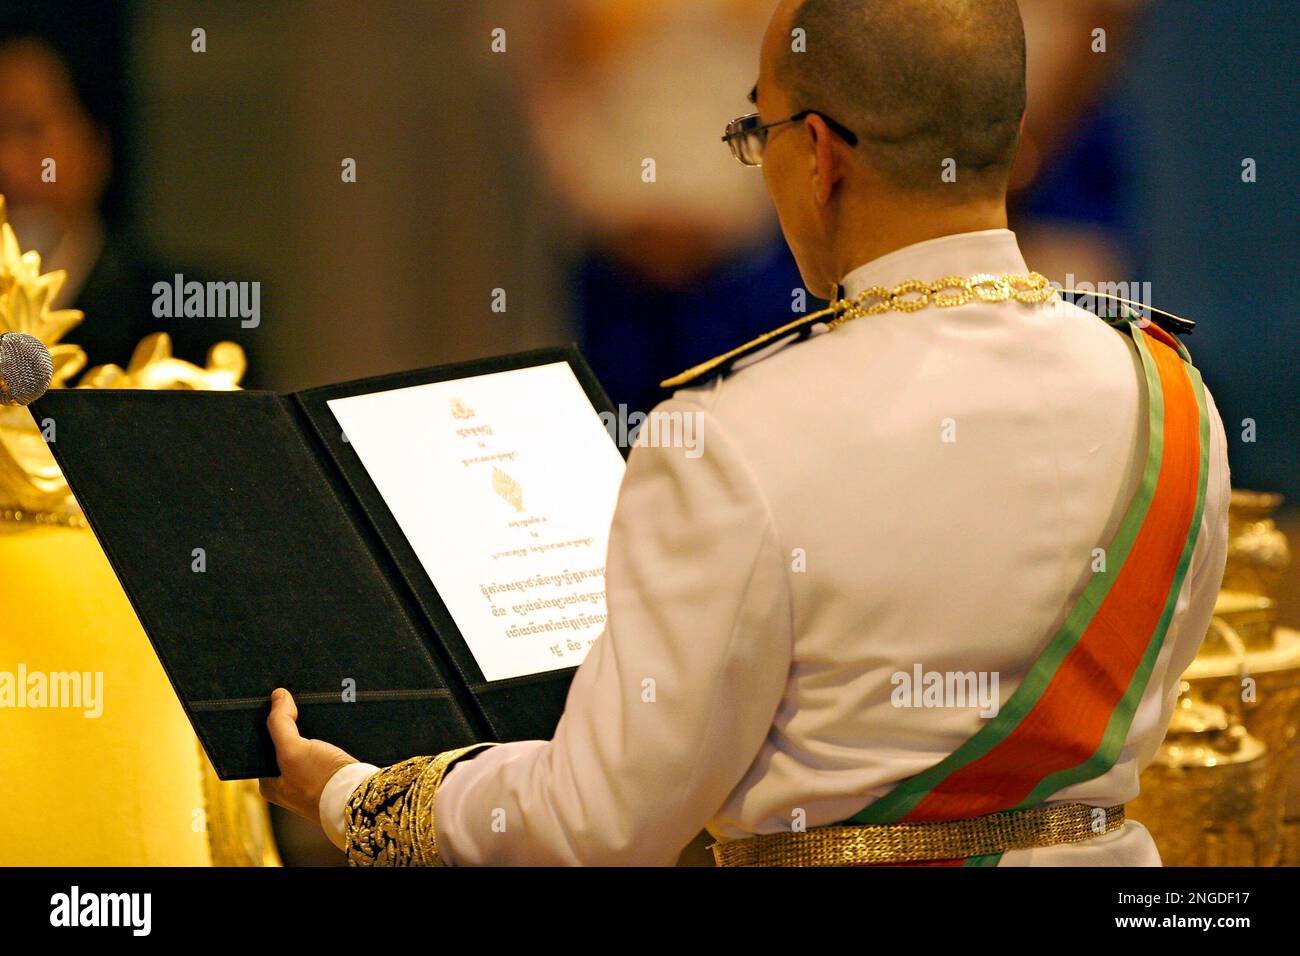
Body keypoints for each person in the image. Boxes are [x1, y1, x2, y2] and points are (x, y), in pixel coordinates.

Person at [261, 0, 1229, 866]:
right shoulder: (1169, 386)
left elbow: (595, 824)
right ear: (1009, 132)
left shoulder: (729, 435)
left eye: (750, 130)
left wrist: (358, 797)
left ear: (816, 153)